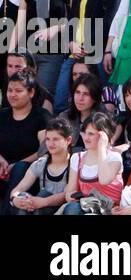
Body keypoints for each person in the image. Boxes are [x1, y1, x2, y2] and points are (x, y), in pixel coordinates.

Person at [56, 0, 121, 114]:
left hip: (99, 54)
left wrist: (93, 46)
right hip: (74, 52)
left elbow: (111, 22)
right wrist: (71, 43)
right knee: (61, 100)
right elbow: (72, 21)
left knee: (105, 102)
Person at [10, 0, 75, 96]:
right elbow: (19, 25)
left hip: (54, 54)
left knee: (44, 96)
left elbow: (76, 22)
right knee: (26, 96)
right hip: (29, 54)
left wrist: (55, 28)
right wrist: (11, 52)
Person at [0, 70, 49, 212]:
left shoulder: (41, 116)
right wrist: (1, 160)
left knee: (20, 167)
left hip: (27, 176)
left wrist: (15, 165)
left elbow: (44, 149)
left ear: (31, 93)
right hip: (3, 170)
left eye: (18, 91)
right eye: (10, 90)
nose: (12, 94)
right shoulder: (2, 115)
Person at [60, 113, 124, 214]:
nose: (86, 138)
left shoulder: (114, 158)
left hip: (109, 210)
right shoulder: (77, 157)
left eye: (91, 134)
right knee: (72, 209)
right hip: (85, 205)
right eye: (85, 133)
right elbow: (71, 190)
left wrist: (102, 148)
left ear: (104, 136)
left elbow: (104, 180)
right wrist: (70, 196)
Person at [9, 116, 72, 214]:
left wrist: (43, 202)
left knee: (44, 194)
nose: (50, 144)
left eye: (55, 139)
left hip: (60, 209)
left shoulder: (75, 164)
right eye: (48, 139)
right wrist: (14, 199)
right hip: (38, 207)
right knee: (22, 197)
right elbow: (19, 188)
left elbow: (66, 195)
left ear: (68, 140)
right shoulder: (41, 163)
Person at [60, 73, 112, 151]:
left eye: (86, 94)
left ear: (95, 97)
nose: (80, 98)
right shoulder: (64, 117)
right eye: (77, 92)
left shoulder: (104, 120)